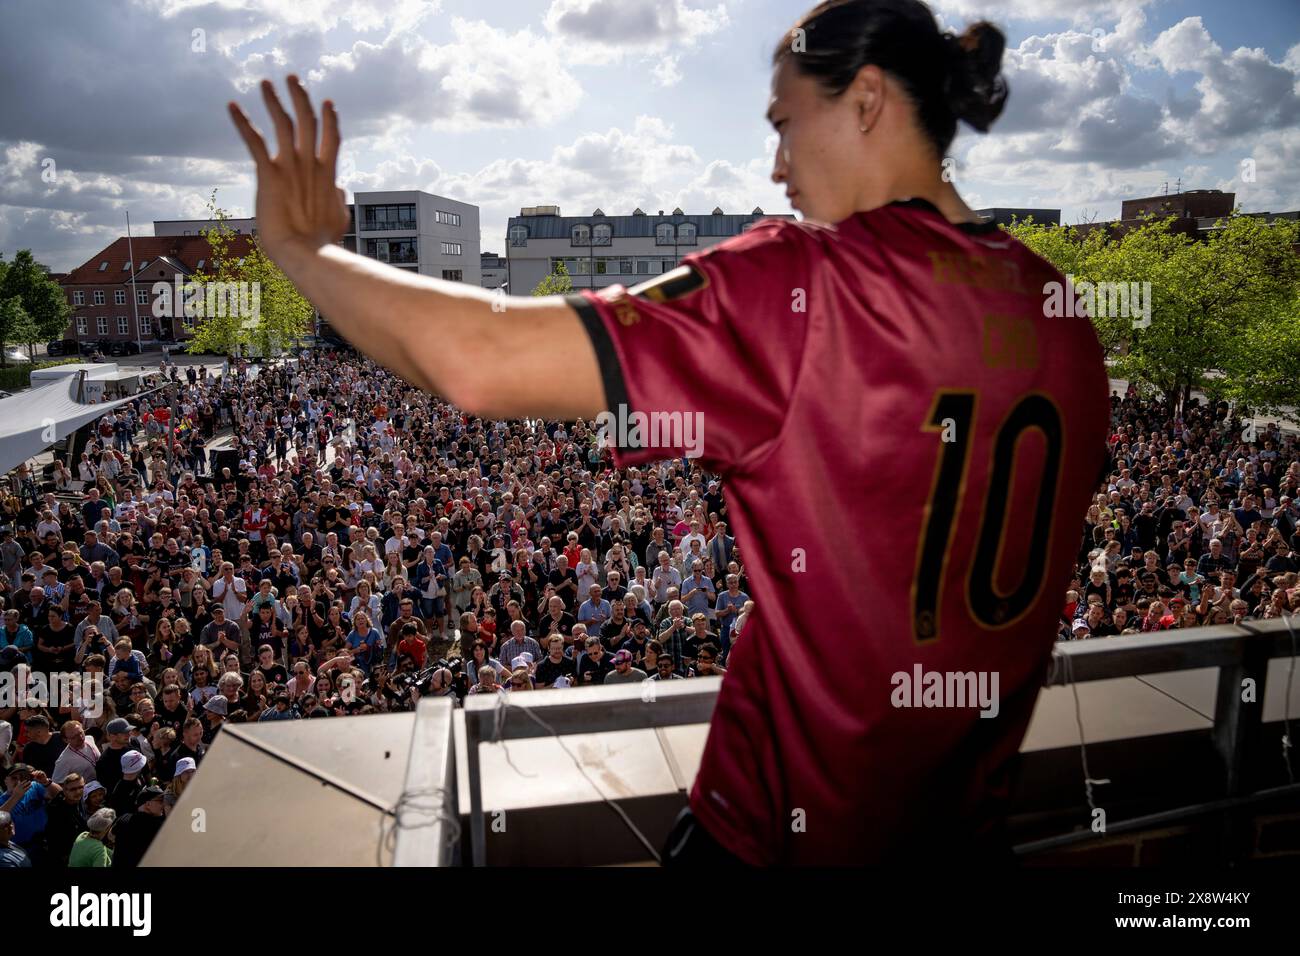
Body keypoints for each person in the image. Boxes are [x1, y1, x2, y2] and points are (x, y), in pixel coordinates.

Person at [228, 8, 1112, 866]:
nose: (776, 166)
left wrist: (303, 249)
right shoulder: (1061, 310)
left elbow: (481, 359)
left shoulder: (806, 286)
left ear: (868, 98)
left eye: (784, 122)